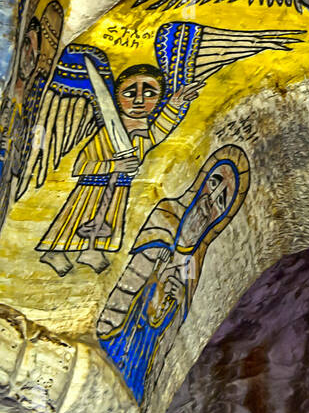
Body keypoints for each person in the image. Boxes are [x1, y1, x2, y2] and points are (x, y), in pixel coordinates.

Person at [98, 146, 250, 406]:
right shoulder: (165, 214)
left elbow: (172, 333)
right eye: (213, 183)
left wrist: (177, 296)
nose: (210, 198)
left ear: (221, 215)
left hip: (143, 353)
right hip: (120, 329)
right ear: (201, 181)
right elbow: (130, 279)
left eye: (222, 199)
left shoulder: (196, 262)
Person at [36, 65, 201, 275]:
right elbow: (80, 166)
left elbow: (161, 129)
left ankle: (91, 251)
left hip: (118, 190)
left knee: (108, 221)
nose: (139, 101)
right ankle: (54, 251)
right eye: (130, 93)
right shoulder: (105, 134)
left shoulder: (143, 136)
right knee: (77, 219)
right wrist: (114, 165)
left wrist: (174, 105)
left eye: (150, 94)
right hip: (90, 190)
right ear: (116, 97)